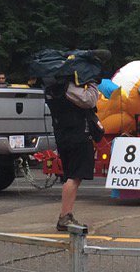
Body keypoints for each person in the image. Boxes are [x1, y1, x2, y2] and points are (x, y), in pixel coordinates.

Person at [45, 78, 99, 232]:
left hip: (62, 134)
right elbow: (90, 101)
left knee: (71, 174)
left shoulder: (51, 88)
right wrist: (93, 84)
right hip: (78, 135)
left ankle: (66, 215)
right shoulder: (69, 88)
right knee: (75, 176)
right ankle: (65, 216)